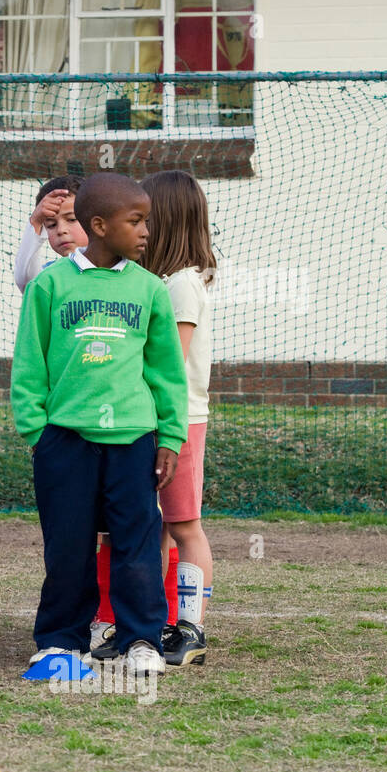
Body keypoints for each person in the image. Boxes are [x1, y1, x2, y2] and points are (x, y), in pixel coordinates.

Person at [11, 172, 188, 676]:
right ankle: (61, 640)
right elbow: (29, 364)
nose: (146, 231)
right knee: (68, 545)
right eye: (136, 221)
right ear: (100, 225)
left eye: (146, 221)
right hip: (65, 442)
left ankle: (141, 640)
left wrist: (169, 437)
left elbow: (166, 372)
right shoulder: (50, 284)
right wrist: (37, 432)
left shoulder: (150, 289)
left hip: (134, 439)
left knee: (135, 543)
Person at [139, 170, 217, 666]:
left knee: (185, 525)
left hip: (179, 420)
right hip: (159, 419)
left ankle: (191, 628)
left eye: (146, 215)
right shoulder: (166, 281)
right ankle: (164, 621)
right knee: (160, 527)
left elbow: (171, 359)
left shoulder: (183, 283)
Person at [14, 174, 86, 292]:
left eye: (72, 219)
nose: (61, 230)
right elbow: (28, 282)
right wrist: (35, 221)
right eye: (51, 225)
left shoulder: (121, 266)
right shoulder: (50, 275)